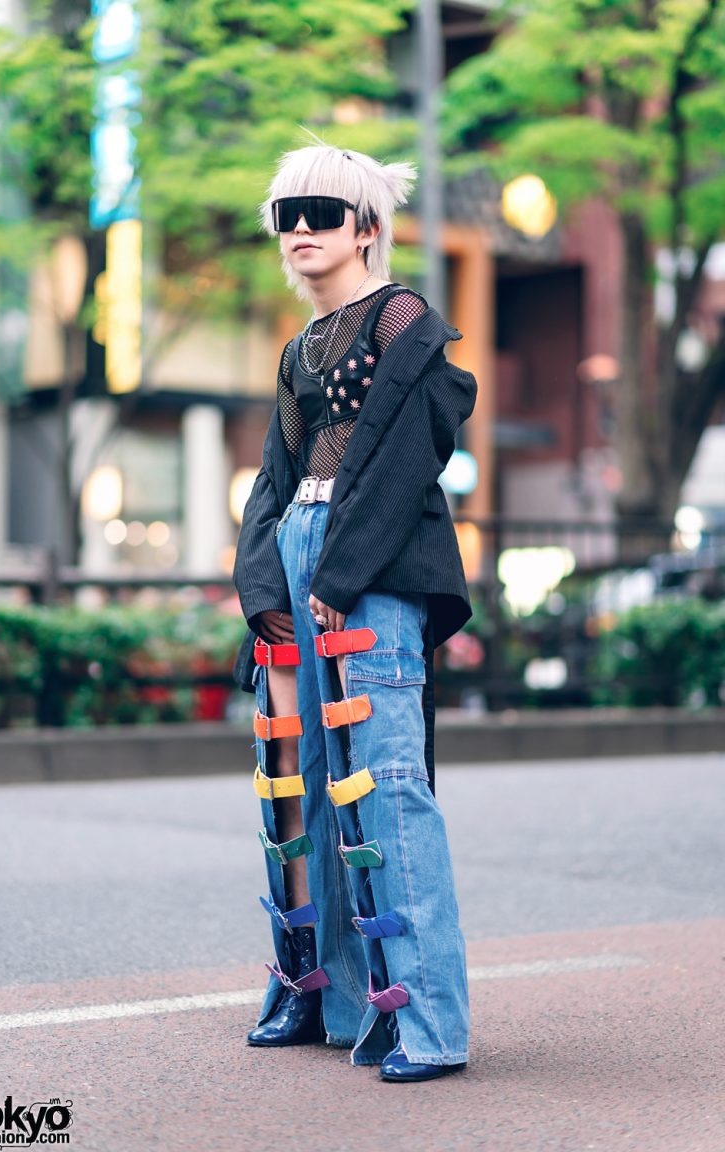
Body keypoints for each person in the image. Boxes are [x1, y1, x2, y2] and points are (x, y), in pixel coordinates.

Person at [232, 133, 478, 1082]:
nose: (300, 229)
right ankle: (325, 992)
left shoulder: (402, 318)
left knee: (381, 782)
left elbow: (411, 457)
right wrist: (265, 590)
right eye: (285, 215)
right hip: (302, 552)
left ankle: (425, 1019)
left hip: (369, 559)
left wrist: (338, 575)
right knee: (292, 777)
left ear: (367, 226)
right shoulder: (299, 347)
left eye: (322, 213)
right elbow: (273, 477)